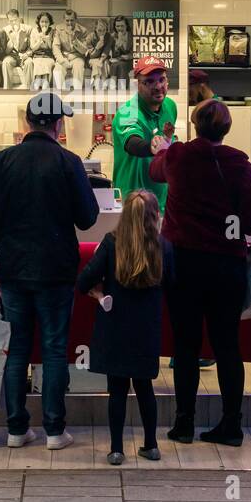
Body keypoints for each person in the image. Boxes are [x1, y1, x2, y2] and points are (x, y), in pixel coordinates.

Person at [0, 92, 100, 450]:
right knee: (55, 349)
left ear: (27, 123)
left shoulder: (2, 161)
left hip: (13, 270)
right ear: (58, 124)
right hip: (57, 270)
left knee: (17, 350)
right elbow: (88, 218)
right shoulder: (69, 161)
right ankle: (55, 432)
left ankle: (16, 430)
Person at [150, 100, 251, 445]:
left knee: (185, 347)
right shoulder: (239, 164)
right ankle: (231, 425)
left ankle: (184, 423)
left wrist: (163, 148)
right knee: (227, 345)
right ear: (226, 129)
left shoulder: (180, 157)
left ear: (195, 124)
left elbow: (154, 171)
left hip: (184, 265)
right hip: (227, 267)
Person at [77, 190, 173, 464]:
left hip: (115, 328)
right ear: (155, 216)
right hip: (146, 330)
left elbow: (83, 281)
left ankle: (117, 449)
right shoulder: (162, 246)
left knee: (117, 390)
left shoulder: (111, 243)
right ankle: (151, 445)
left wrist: (98, 292)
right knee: (145, 388)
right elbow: (174, 284)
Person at [112, 56, 178, 212]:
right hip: (133, 203)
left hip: (161, 200)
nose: (158, 86)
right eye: (149, 82)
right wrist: (153, 147)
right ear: (138, 85)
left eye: (161, 79)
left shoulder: (170, 106)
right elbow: (132, 144)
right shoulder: (128, 112)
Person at [52, 7, 91, 90]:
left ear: (76, 20)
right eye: (67, 20)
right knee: (57, 70)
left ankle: (77, 93)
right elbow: (56, 47)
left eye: (72, 20)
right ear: (64, 20)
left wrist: (75, 40)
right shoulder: (58, 29)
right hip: (63, 56)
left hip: (77, 57)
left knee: (79, 67)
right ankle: (59, 95)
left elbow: (84, 50)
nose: (69, 23)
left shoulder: (83, 30)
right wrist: (62, 60)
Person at [0, 8, 32, 89]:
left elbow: (31, 47)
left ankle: (29, 89)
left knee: (29, 62)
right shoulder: (5, 30)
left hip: (24, 55)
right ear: (8, 21)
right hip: (12, 55)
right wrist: (9, 46)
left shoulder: (28, 29)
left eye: (15, 20)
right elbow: (4, 52)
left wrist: (27, 54)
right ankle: (7, 89)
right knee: (6, 62)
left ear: (19, 18)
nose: (14, 22)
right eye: (11, 21)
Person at [26, 12, 57, 89]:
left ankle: (45, 84)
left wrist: (48, 40)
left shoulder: (53, 31)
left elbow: (52, 48)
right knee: (38, 62)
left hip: (49, 57)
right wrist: (39, 41)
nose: (44, 24)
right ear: (39, 22)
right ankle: (37, 82)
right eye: (42, 21)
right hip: (37, 56)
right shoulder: (34, 31)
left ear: (50, 23)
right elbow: (33, 48)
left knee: (46, 63)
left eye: (46, 22)